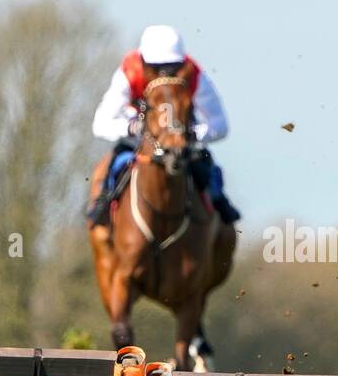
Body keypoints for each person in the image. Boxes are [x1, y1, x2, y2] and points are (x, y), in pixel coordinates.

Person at [87, 24, 239, 227]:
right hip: (137, 145)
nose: (164, 73)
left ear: (182, 62)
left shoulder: (194, 75)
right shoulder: (129, 72)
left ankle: (219, 213)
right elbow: (101, 123)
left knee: (208, 170)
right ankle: (104, 208)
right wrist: (132, 128)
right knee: (114, 167)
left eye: (172, 66)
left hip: (181, 145)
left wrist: (191, 134)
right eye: (156, 67)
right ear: (143, 61)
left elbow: (220, 124)